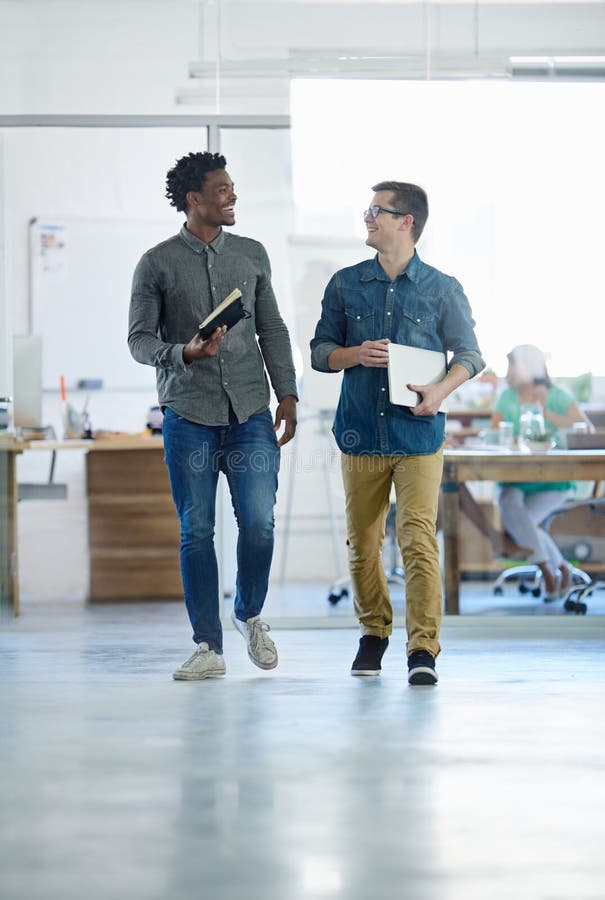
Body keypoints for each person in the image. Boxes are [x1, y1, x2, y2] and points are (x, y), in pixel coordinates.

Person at [128, 151, 298, 680]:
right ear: (194, 199)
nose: (232, 196)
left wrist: (288, 394)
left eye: (232, 188)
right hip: (190, 414)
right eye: (222, 189)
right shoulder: (156, 262)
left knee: (260, 523)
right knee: (195, 530)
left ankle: (249, 613)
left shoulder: (252, 255)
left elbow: (271, 329)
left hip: (249, 409)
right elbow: (139, 341)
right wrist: (184, 353)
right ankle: (209, 645)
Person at [310, 181, 485, 685]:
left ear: (406, 221)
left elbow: (470, 354)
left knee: (416, 540)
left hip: (417, 437)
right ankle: (374, 632)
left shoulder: (443, 288)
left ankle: (422, 648)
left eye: (376, 211)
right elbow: (321, 353)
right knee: (362, 545)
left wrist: (440, 392)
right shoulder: (345, 284)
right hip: (361, 433)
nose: (367, 218)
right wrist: (354, 354)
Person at [491, 344, 592, 599]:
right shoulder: (507, 397)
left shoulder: (557, 395)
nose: (510, 372)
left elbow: (586, 429)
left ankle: (551, 571)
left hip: (553, 482)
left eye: (513, 364)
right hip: (514, 480)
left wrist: (547, 412)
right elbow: (494, 436)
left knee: (523, 521)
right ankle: (554, 568)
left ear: (530, 365)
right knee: (509, 502)